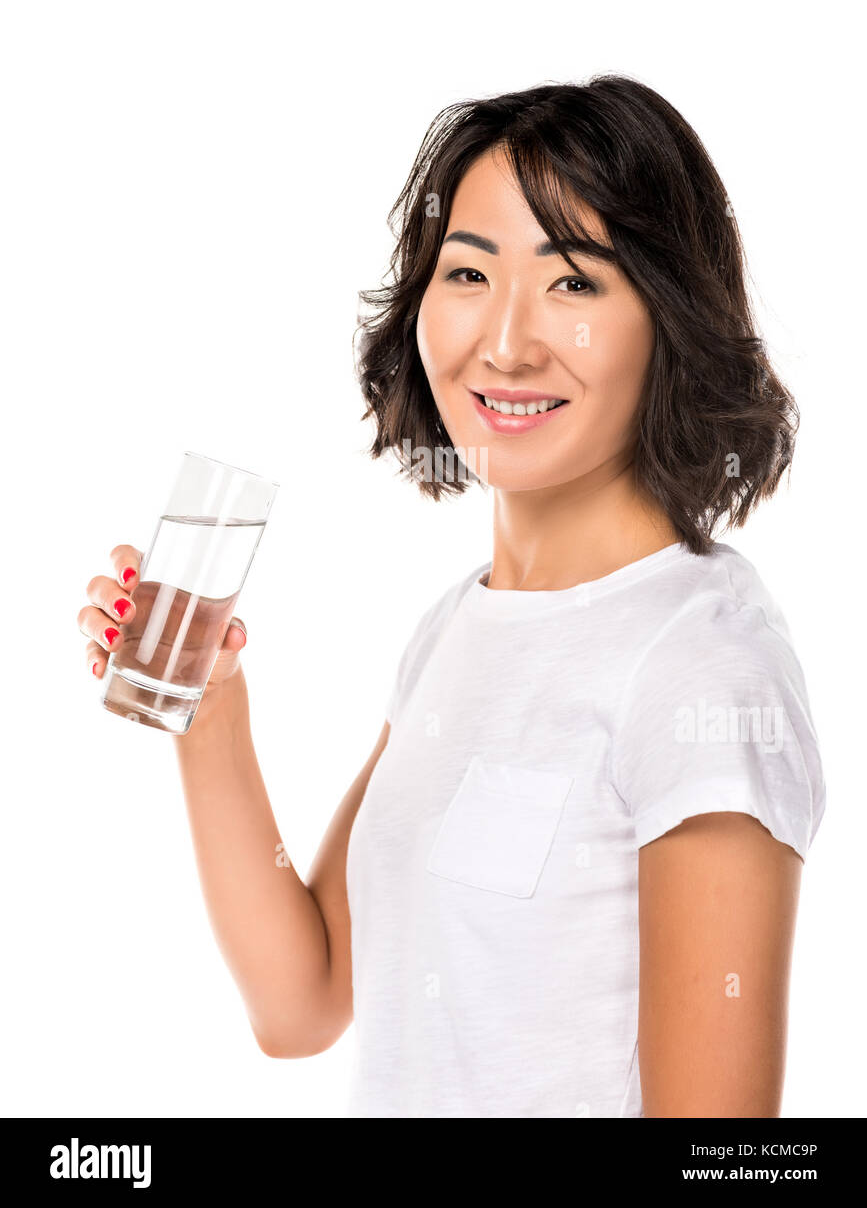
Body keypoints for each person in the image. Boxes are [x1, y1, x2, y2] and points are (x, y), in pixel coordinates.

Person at [78, 76, 826, 1118]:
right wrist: (208, 711)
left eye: (573, 283)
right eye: (468, 271)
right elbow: (303, 1002)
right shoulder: (457, 625)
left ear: (672, 316)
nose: (506, 341)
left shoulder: (703, 661)